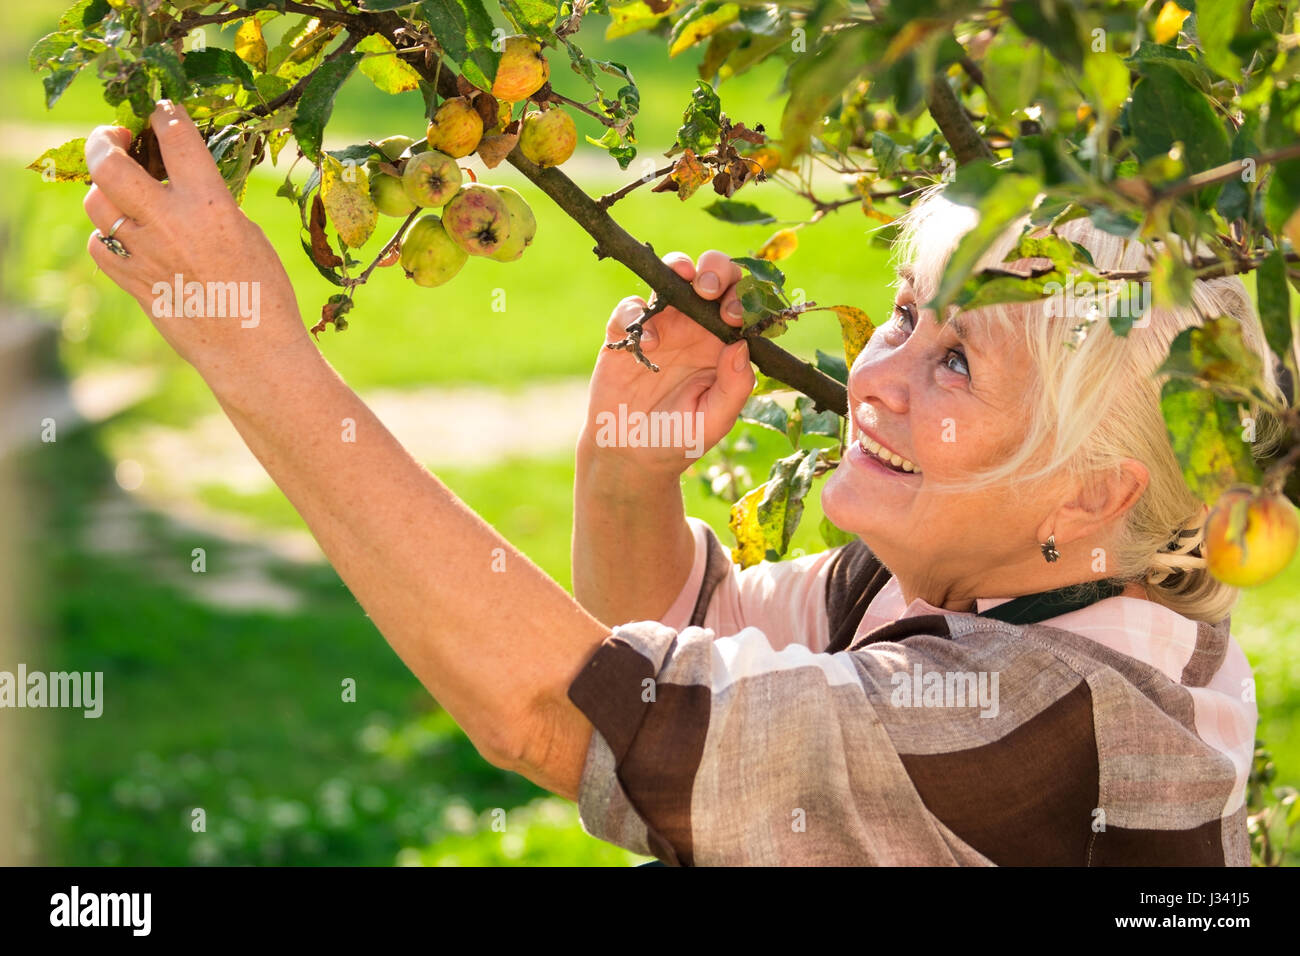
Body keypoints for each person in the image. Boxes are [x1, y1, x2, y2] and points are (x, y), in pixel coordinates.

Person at [81, 103, 1279, 866]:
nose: (872, 377)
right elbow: (676, 661)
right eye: (906, 316)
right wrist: (624, 479)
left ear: (1088, 494)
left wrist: (254, 349)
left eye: (956, 359)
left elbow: (569, 715)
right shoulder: (1006, 587)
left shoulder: (1050, 718)